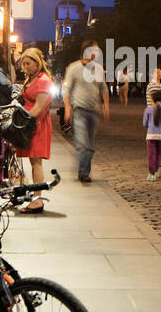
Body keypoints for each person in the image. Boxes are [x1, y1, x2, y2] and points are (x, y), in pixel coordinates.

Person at [63, 39, 110, 183]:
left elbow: (103, 87)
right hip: (80, 110)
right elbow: (67, 89)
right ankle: (83, 172)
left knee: (89, 146)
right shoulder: (74, 68)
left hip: (94, 111)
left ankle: (84, 170)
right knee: (83, 143)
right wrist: (67, 108)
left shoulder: (98, 69)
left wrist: (106, 105)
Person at [14, 47, 53, 212]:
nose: (25, 67)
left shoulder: (43, 81)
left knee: (36, 162)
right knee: (33, 161)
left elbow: (38, 108)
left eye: (28, 63)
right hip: (29, 124)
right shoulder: (31, 78)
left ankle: (38, 200)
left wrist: (22, 118)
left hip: (37, 125)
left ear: (38, 63)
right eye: (23, 63)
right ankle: (36, 197)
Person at [142, 88, 161, 180]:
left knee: (151, 154)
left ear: (151, 99)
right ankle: (156, 171)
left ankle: (151, 173)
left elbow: (145, 123)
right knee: (158, 154)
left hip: (151, 134)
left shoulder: (148, 110)